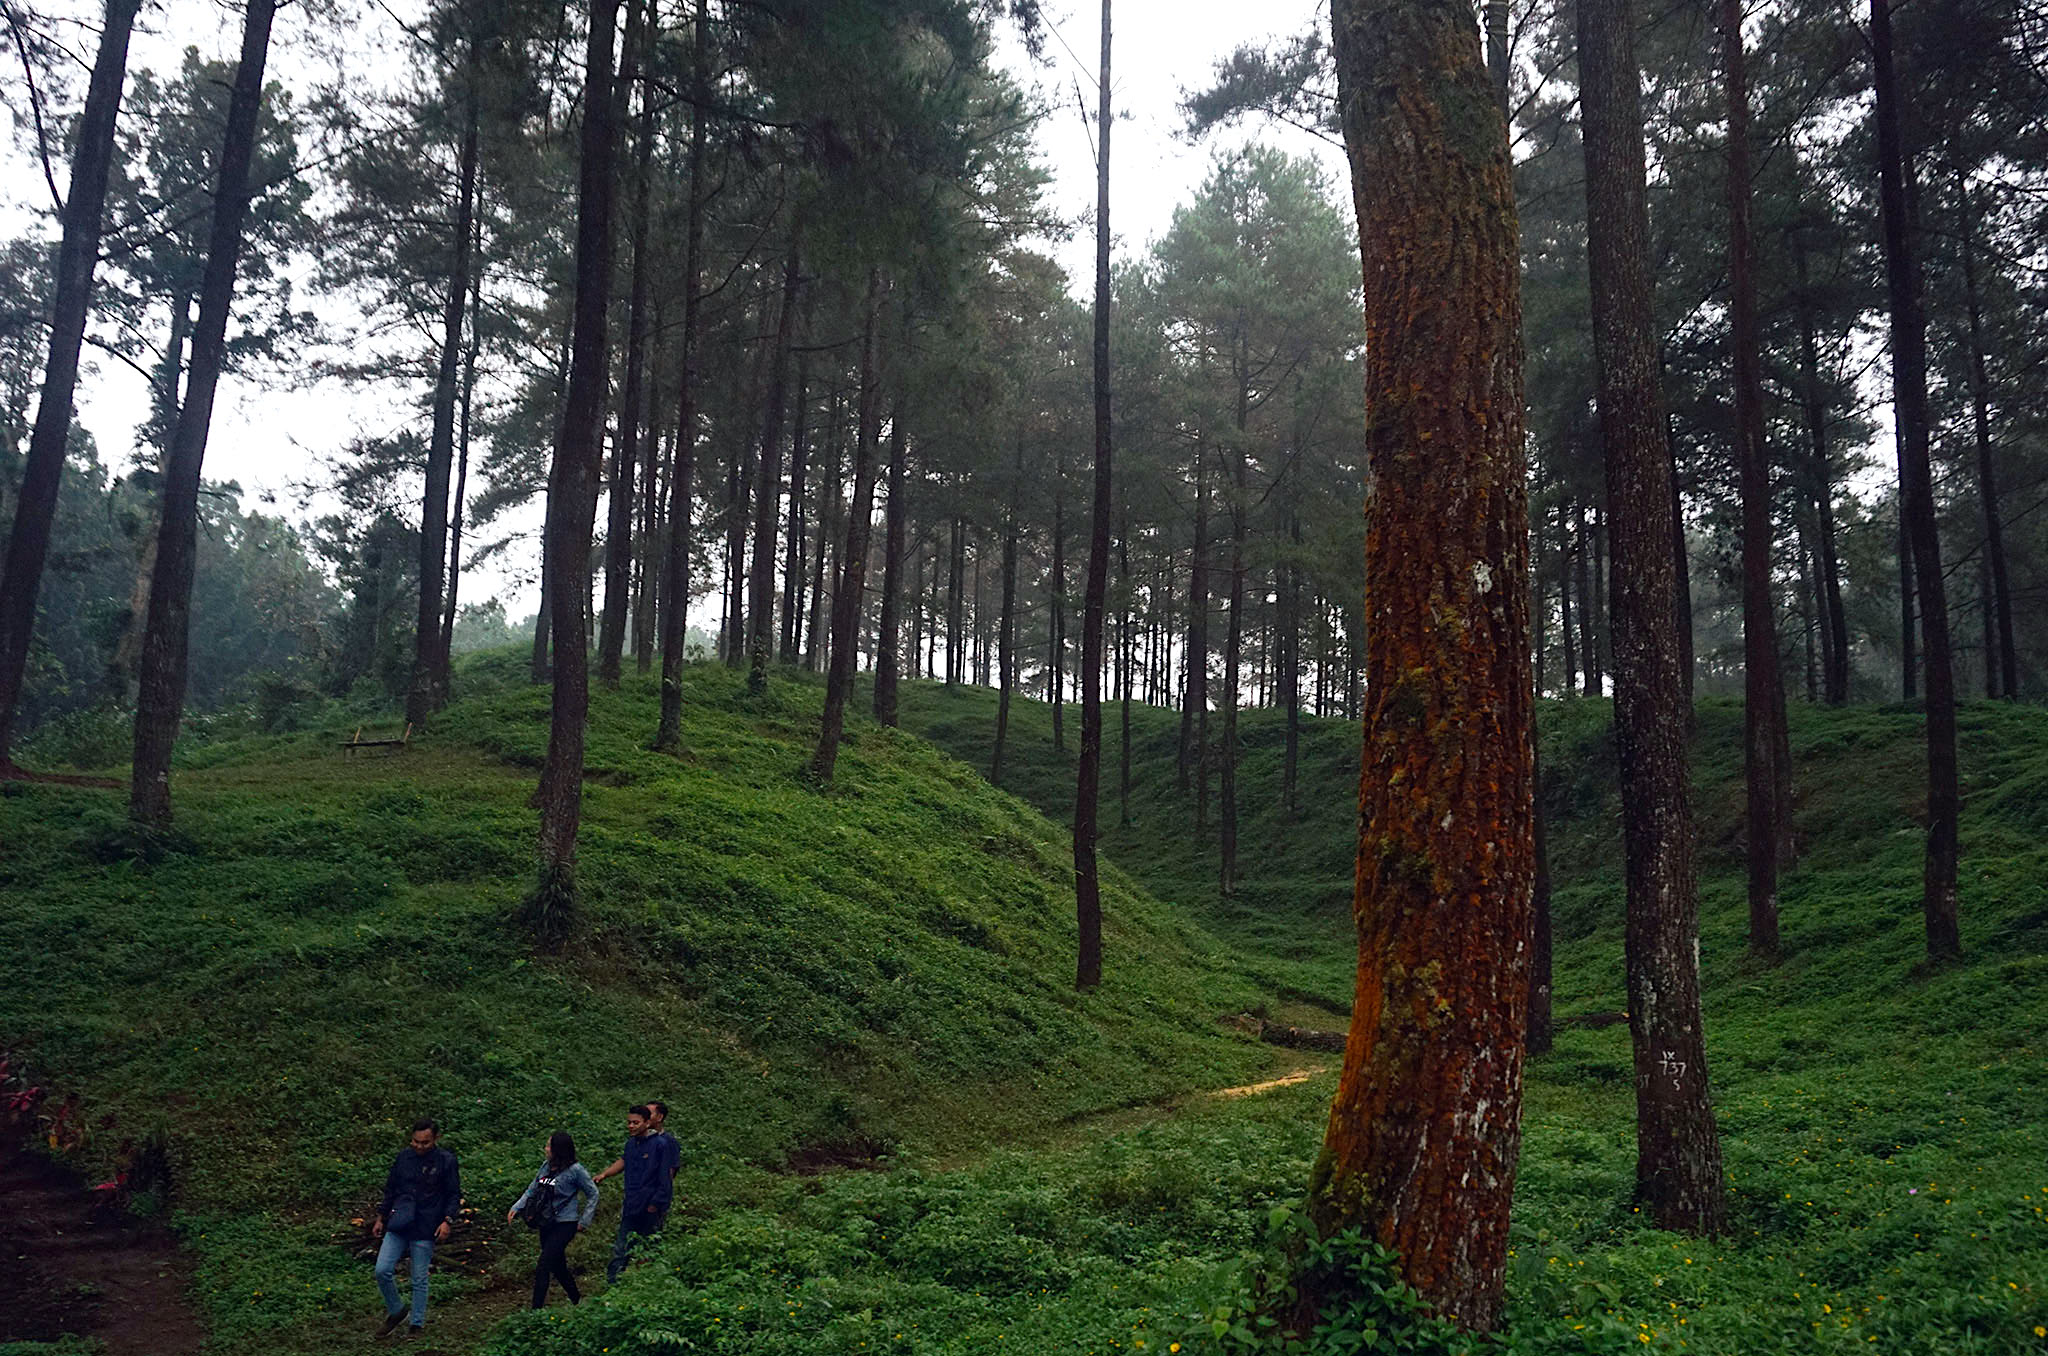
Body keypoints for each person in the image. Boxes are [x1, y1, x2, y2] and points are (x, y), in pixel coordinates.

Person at [372, 1119, 461, 1339]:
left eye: (425, 1142)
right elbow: (391, 1188)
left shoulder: (446, 1161)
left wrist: (447, 1220)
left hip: (426, 1224)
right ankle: (396, 1310)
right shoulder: (403, 1158)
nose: (420, 1146)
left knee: (419, 1277)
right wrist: (381, 1217)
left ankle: (416, 1324)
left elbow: (453, 1193)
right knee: (382, 1270)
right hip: (400, 1221)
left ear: (436, 1139)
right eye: (416, 1141)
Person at [506, 1131, 599, 1309]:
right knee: (558, 1266)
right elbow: (532, 1188)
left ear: (559, 1149)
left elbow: (593, 1193)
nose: (546, 1149)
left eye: (549, 1146)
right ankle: (577, 1300)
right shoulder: (546, 1167)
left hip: (566, 1223)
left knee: (544, 1264)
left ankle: (536, 1311)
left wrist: (585, 1220)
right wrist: (517, 1207)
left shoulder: (576, 1171)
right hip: (546, 1222)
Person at [593, 1104, 677, 1284]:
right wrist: (604, 1174)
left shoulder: (661, 1145)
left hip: (651, 1206)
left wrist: (657, 1202)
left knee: (649, 1247)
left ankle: (649, 1284)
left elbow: (666, 1177)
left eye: (635, 1123)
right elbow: (624, 1161)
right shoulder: (631, 1144)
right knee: (620, 1248)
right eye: (629, 1122)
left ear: (647, 1123)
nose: (631, 1126)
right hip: (632, 1203)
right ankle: (613, 1285)